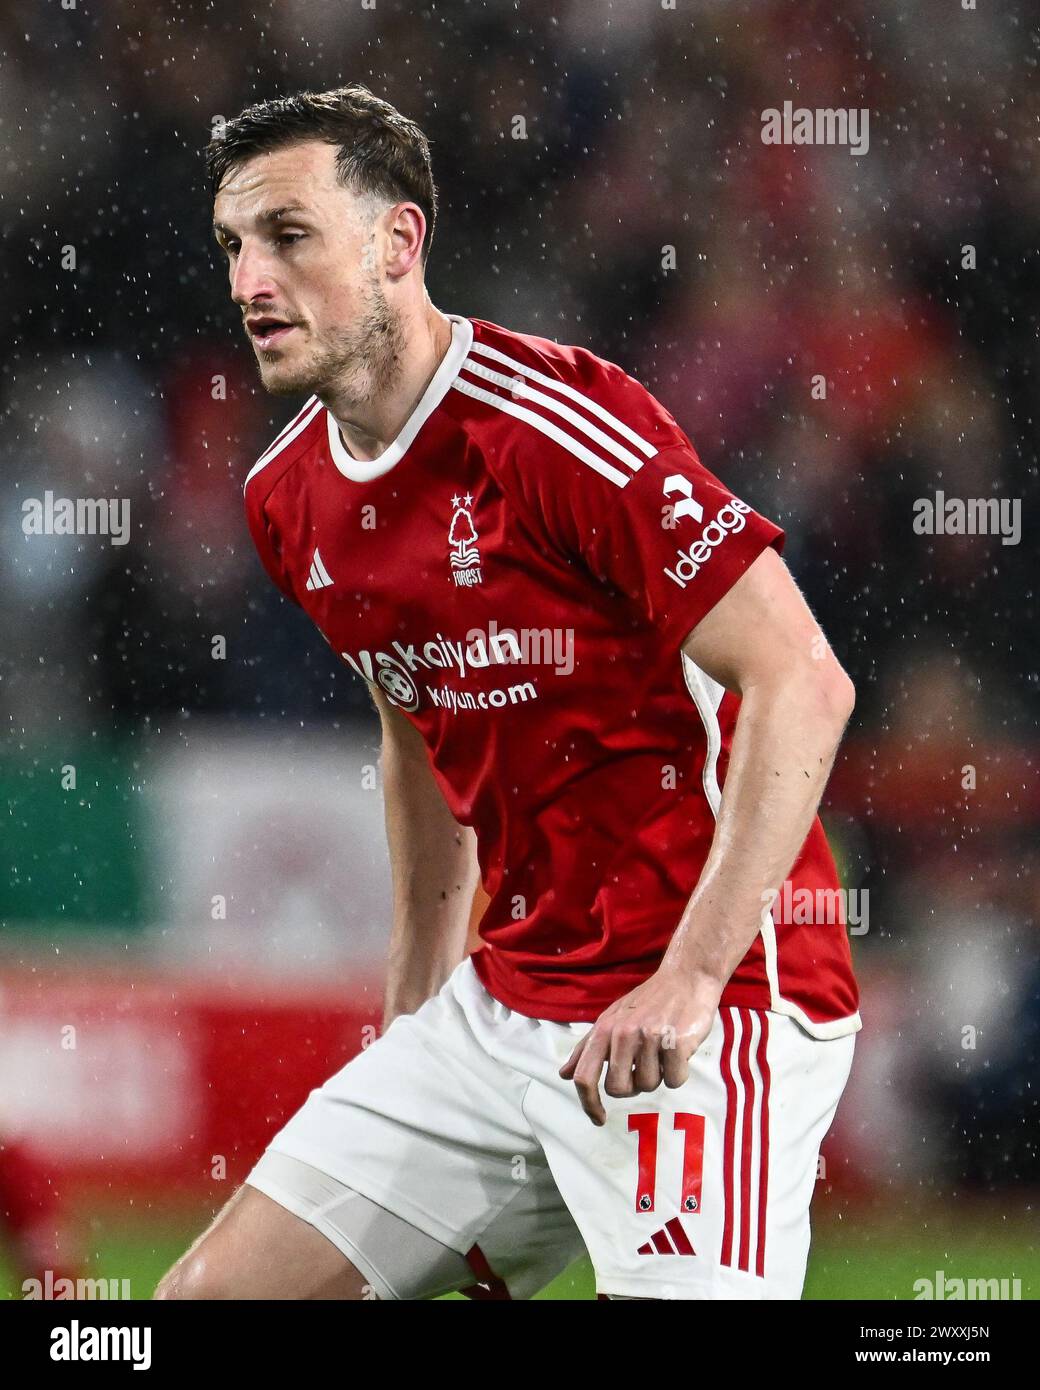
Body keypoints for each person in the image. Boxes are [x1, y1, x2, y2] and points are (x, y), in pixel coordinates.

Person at [156, 84, 859, 1302]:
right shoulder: (287, 497)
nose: (248, 281)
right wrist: (417, 1000)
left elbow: (803, 679)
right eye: (231, 247)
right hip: (505, 1002)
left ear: (397, 242)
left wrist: (689, 978)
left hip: (710, 1001)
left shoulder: (553, 426)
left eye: (286, 235)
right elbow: (417, 726)